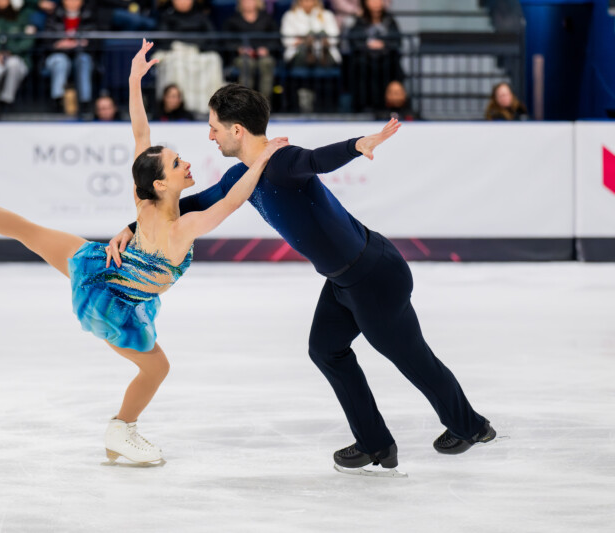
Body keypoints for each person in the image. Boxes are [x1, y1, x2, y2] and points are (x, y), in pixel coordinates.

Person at [0, 40, 287, 466]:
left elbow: (141, 134)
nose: (187, 164)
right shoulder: (181, 228)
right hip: (112, 301)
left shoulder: (145, 202)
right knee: (157, 369)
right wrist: (262, 159)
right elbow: (230, 201)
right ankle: (121, 429)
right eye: (177, 164)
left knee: (29, 232)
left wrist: (134, 81)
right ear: (160, 184)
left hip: (95, 263)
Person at [106, 83, 496, 475]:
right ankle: (375, 443)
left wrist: (357, 145)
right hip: (343, 280)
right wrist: (132, 227)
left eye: (214, 127)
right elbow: (190, 205)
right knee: (326, 350)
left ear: (237, 130)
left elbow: (315, 159)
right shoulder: (241, 175)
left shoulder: (281, 161)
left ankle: (471, 427)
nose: (210, 136)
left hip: (373, 276)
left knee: (410, 357)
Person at [343, 0, 402, 112]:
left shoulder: (390, 21)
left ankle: (385, 106)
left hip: (386, 59)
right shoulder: (359, 21)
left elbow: (397, 41)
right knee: (360, 66)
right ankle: (363, 106)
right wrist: (367, 45)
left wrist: (384, 44)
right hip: (365, 59)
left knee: (390, 66)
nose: (376, 3)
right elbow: (354, 41)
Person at [44, 0, 96, 116]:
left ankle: (85, 103)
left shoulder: (88, 16)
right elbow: (47, 41)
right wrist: (59, 44)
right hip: (56, 55)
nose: (72, 2)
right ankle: (58, 101)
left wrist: (73, 44)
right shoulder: (54, 16)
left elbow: (93, 41)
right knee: (61, 61)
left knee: (84, 60)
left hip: (81, 54)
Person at [222, 0, 279, 102]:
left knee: (266, 63)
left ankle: (264, 102)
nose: (248, 3)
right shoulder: (233, 20)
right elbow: (226, 41)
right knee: (247, 63)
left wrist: (267, 49)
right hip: (242, 57)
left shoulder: (267, 19)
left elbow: (276, 39)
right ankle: (245, 103)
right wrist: (239, 49)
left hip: (263, 56)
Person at [280, 0, 341, 67]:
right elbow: (287, 40)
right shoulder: (290, 16)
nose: (308, 3)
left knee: (321, 34)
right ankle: (309, 52)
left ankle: (321, 54)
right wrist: (305, 40)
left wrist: (323, 41)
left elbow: (335, 38)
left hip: (324, 51)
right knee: (308, 40)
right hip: (298, 52)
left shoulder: (327, 15)